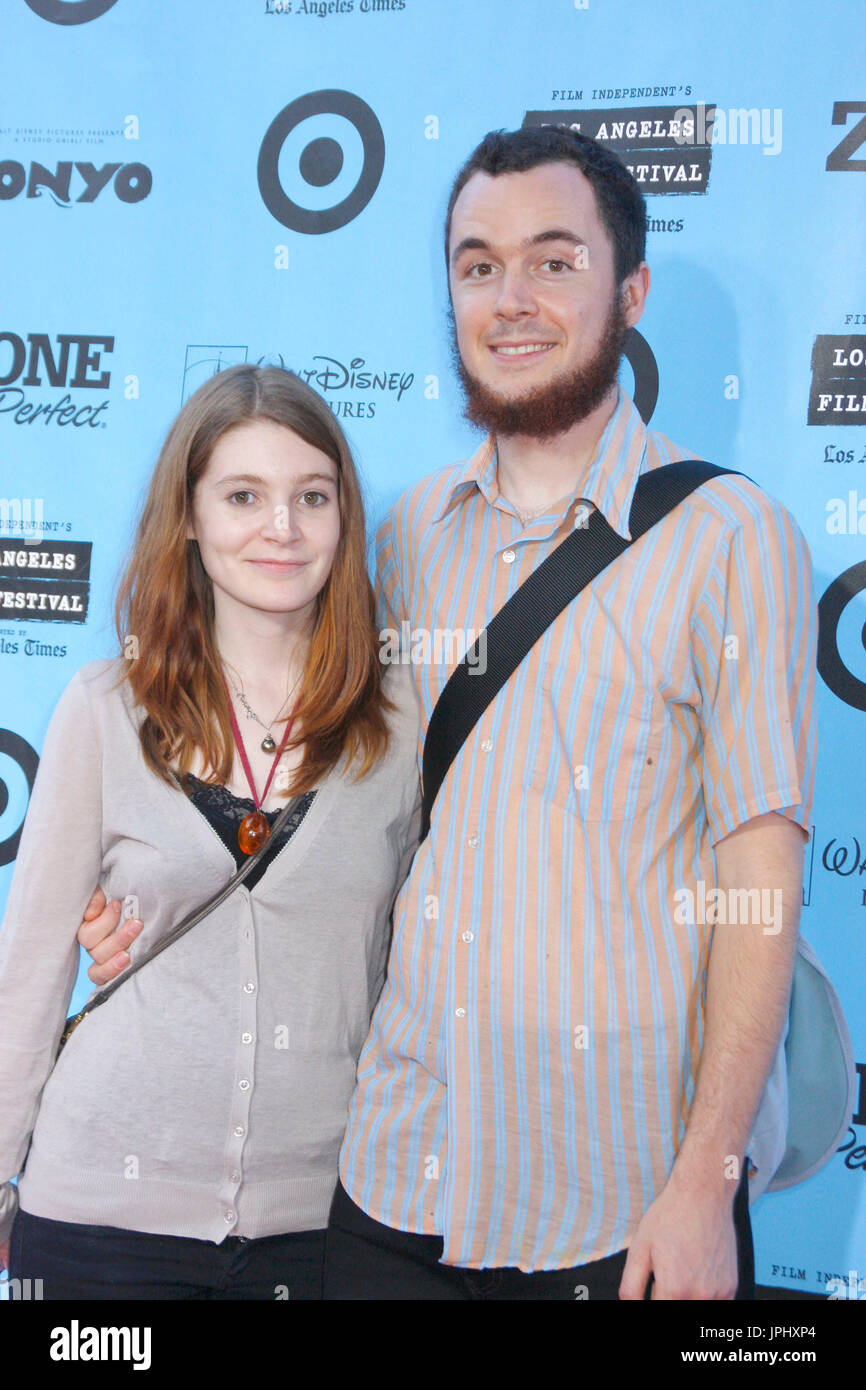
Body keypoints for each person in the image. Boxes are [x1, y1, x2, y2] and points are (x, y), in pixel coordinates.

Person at [77, 127, 817, 1302]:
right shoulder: (404, 536)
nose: (509, 299)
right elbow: (319, 809)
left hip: (610, 1206)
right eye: (478, 266)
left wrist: (705, 1178)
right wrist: (150, 895)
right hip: (390, 1182)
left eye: (552, 261)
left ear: (627, 290)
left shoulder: (729, 540)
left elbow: (758, 873)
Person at [0, 364, 420, 1299]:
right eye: (243, 496)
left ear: (344, 517)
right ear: (188, 517)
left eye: (313, 496)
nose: (282, 528)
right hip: (99, 1221)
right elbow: (30, 973)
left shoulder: (402, 724)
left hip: (315, 1229)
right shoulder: (107, 709)